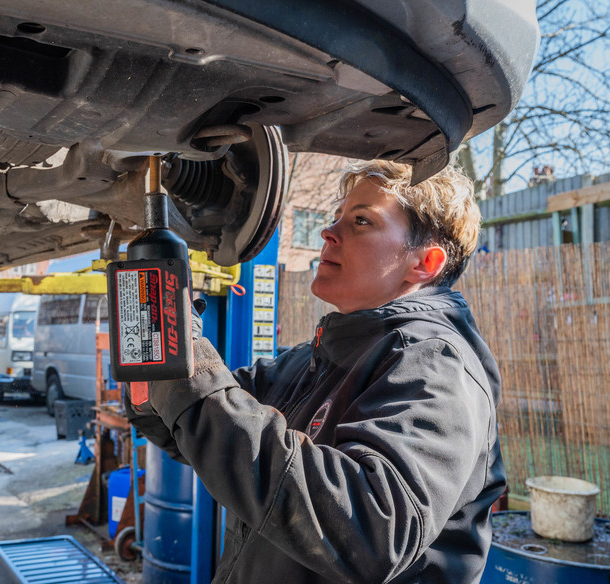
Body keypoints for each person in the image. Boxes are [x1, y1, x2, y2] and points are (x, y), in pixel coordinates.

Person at [125, 160, 504, 584]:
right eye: (337, 216)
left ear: (424, 263)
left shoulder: (434, 363)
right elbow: (199, 430)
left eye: (361, 220)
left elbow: (372, 531)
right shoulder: (319, 358)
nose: (329, 231)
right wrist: (153, 350)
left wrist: (187, 370)